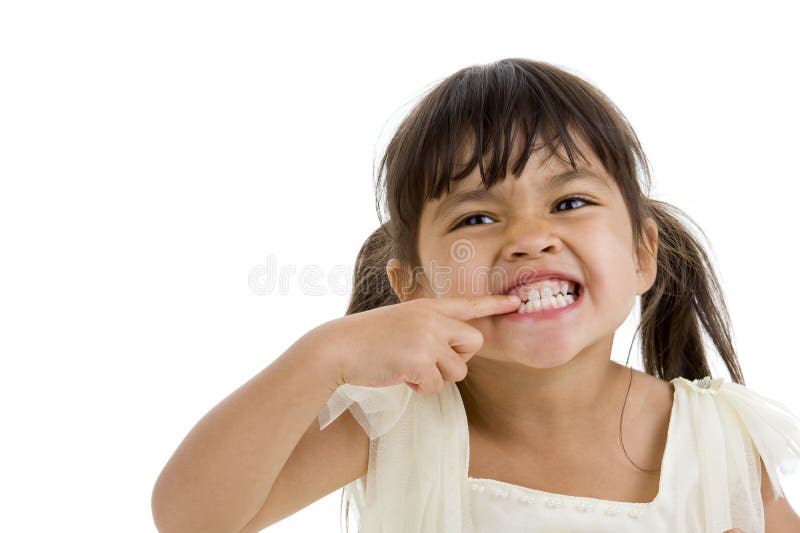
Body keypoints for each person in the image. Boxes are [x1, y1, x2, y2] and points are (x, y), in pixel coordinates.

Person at [151, 59, 800, 533]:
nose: (529, 238)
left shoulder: (718, 444)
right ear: (414, 287)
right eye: (476, 218)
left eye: (569, 202)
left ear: (640, 254)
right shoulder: (395, 423)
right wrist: (326, 355)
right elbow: (191, 518)